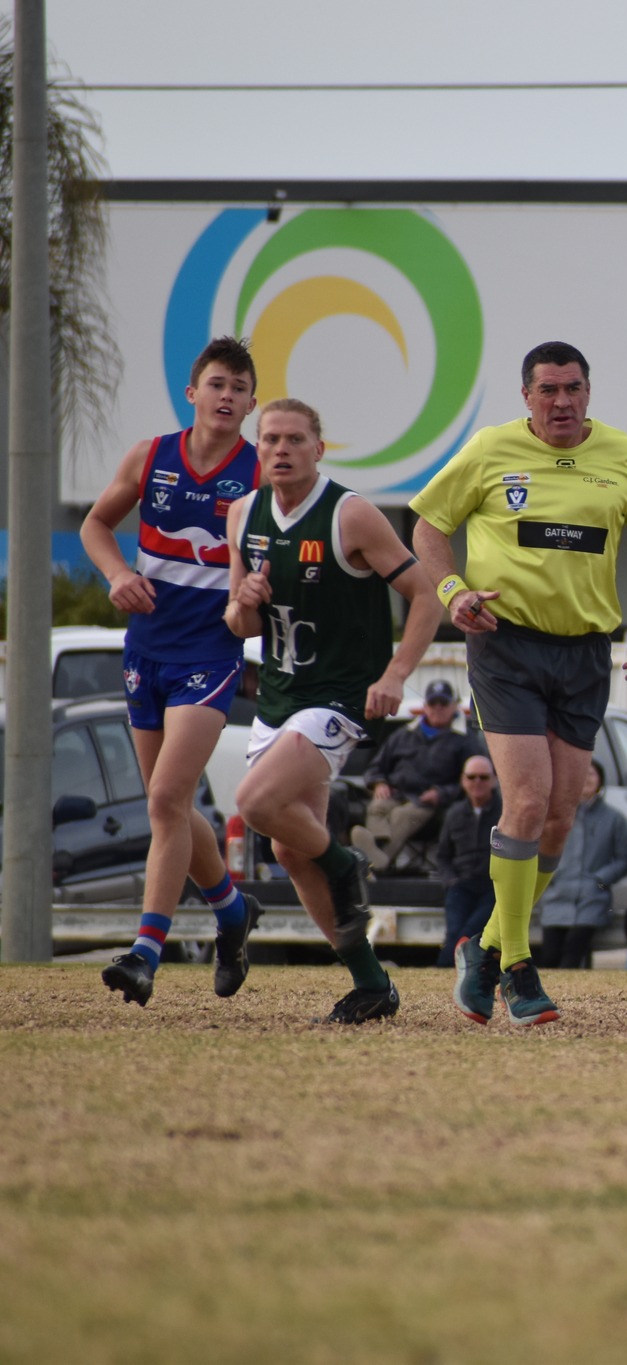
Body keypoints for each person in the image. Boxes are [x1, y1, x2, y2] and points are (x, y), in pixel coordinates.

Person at [410, 341, 627, 1026]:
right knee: (525, 801)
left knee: (560, 815)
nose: (562, 401)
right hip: (506, 646)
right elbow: (428, 526)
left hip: (585, 651)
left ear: (590, 391)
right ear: (526, 395)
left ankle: (487, 945)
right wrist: (451, 591)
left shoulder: (623, 456)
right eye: (548, 390)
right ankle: (520, 969)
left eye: (574, 388)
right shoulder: (489, 450)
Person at [225, 398, 440, 1023]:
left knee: (255, 805)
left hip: (340, 694)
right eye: (270, 439)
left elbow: (424, 597)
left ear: (320, 448)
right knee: (292, 852)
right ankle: (372, 983)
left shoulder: (351, 515)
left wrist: (396, 673)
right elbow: (237, 621)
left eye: (295, 438)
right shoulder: (243, 514)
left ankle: (346, 863)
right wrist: (244, 600)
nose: (282, 449)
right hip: (279, 695)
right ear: (257, 448)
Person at [88, 337, 264, 1008]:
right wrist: (118, 573)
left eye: (239, 388)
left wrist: (252, 597)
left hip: (210, 655)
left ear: (250, 404)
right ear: (192, 393)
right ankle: (231, 910)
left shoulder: (255, 475)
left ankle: (145, 953)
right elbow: (98, 525)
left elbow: (266, 563)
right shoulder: (152, 455)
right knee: (172, 805)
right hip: (146, 651)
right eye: (216, 383)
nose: (227, 395)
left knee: (164, 800)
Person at [351, 678, 478, 872]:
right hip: (396, 794)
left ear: (454, 706)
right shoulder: (403, 735)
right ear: (425, 706)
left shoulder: (465, 740)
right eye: (432, 703)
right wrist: (379, 783)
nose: (438, 708)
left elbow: (473, 780)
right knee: (377, 806)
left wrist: (441, 794)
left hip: (428, 802)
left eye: (443, 703)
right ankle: (377, 853)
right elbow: (374, 768)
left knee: (402, 815)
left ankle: (376, 861)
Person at [533, 760, 627, 970]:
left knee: (573, 949)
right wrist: (550, 878)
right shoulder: (555, 816)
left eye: (592, 775)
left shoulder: (614, 818)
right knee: (550, 955)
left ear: (600, 781)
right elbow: (538, 850)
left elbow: (625, 857)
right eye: (582, 775)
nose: (586, 780)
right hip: (557, 895)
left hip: (591, 897)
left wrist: (600, 880)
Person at [435, 754, 501, 969]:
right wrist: (451, 881)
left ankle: (449, 968)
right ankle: (445, 973)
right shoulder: (454, 814)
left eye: (483, 777)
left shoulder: (505, 812)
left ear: (494, 780)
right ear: (463, 781)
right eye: (471, 777)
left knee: (471, 930)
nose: (477, 782)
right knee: (454, 930)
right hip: (461, 884)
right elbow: (443, 855)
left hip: (493, 885)